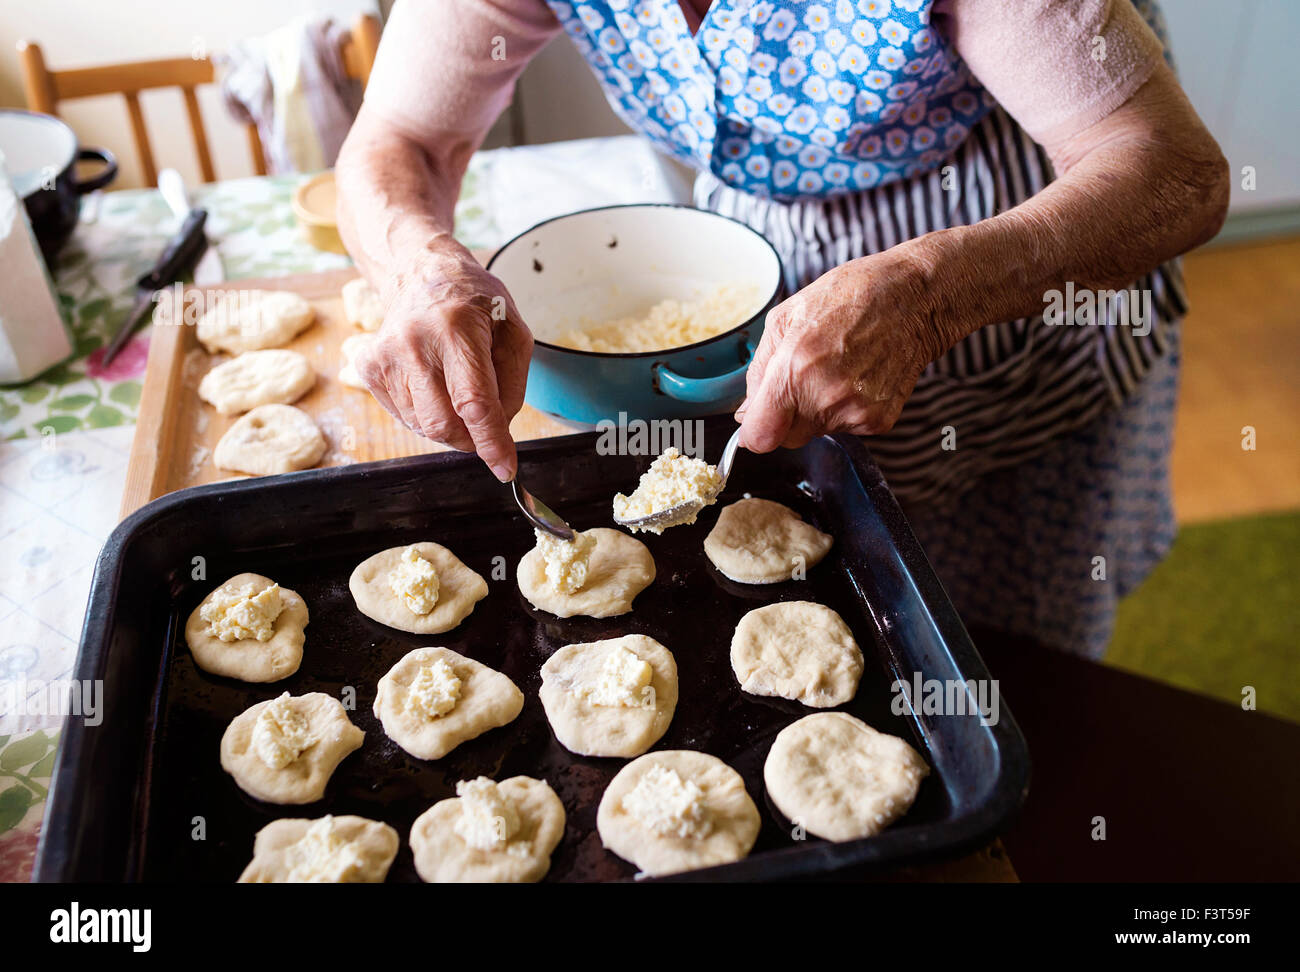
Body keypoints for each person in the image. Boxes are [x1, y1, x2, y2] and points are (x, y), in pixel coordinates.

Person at [335, 0, 1228, 656]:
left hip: (1014, 268)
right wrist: (420, 268)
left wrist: (927, 295)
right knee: (844, 628)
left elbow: (1172, 173)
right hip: (765, 272)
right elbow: (402, 140)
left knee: (1013, 658)